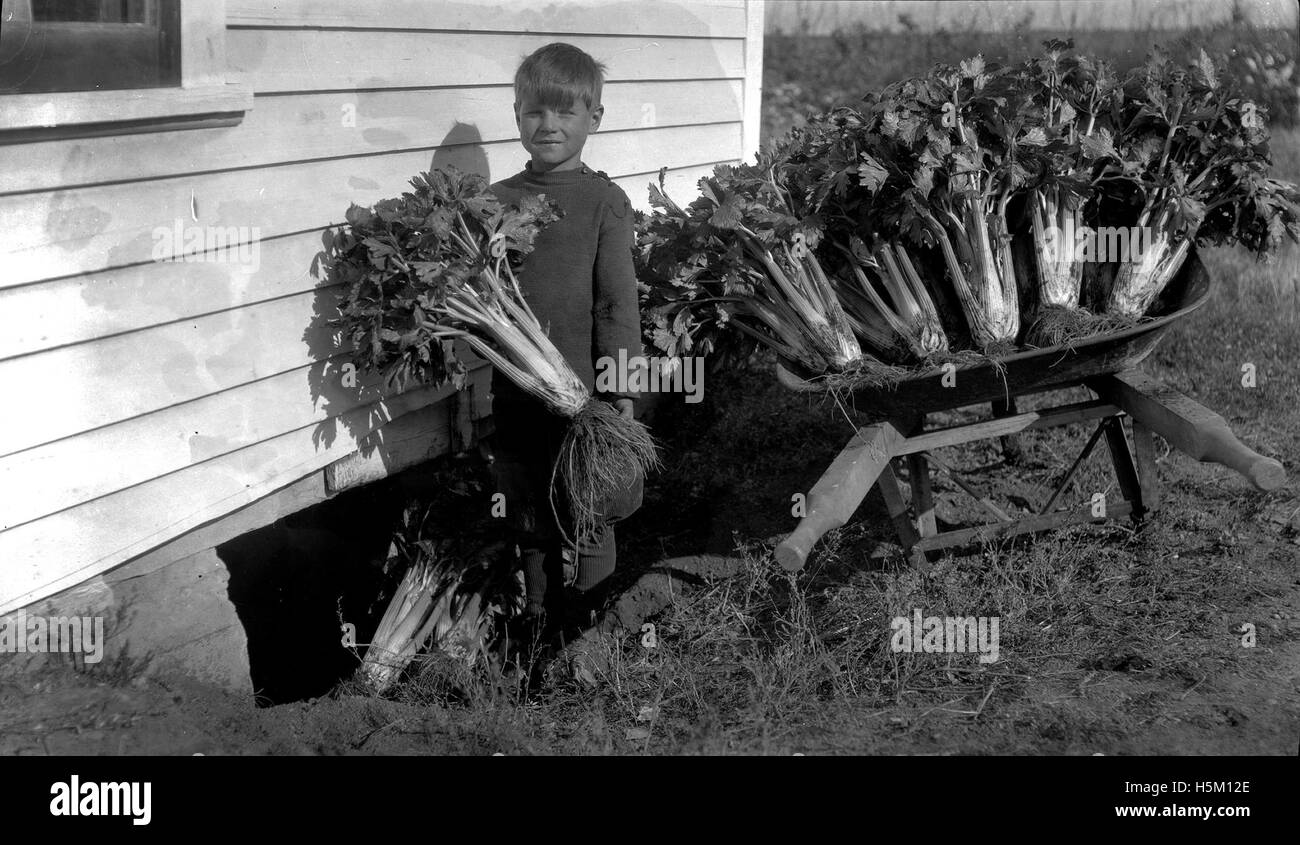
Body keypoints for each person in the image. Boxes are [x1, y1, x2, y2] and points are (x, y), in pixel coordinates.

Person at [487, 42, 644, 649]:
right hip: (518, 393)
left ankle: (593, 632)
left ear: (594, 120)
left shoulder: (604, 201)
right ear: (517, 115)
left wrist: (622, 387)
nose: (547, 125)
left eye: (565, 113)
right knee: (530, 511)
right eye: (534, 112)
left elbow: (616, 304)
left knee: (593, 509)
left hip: (590, 399)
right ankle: (539, 627)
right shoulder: (493, 204)